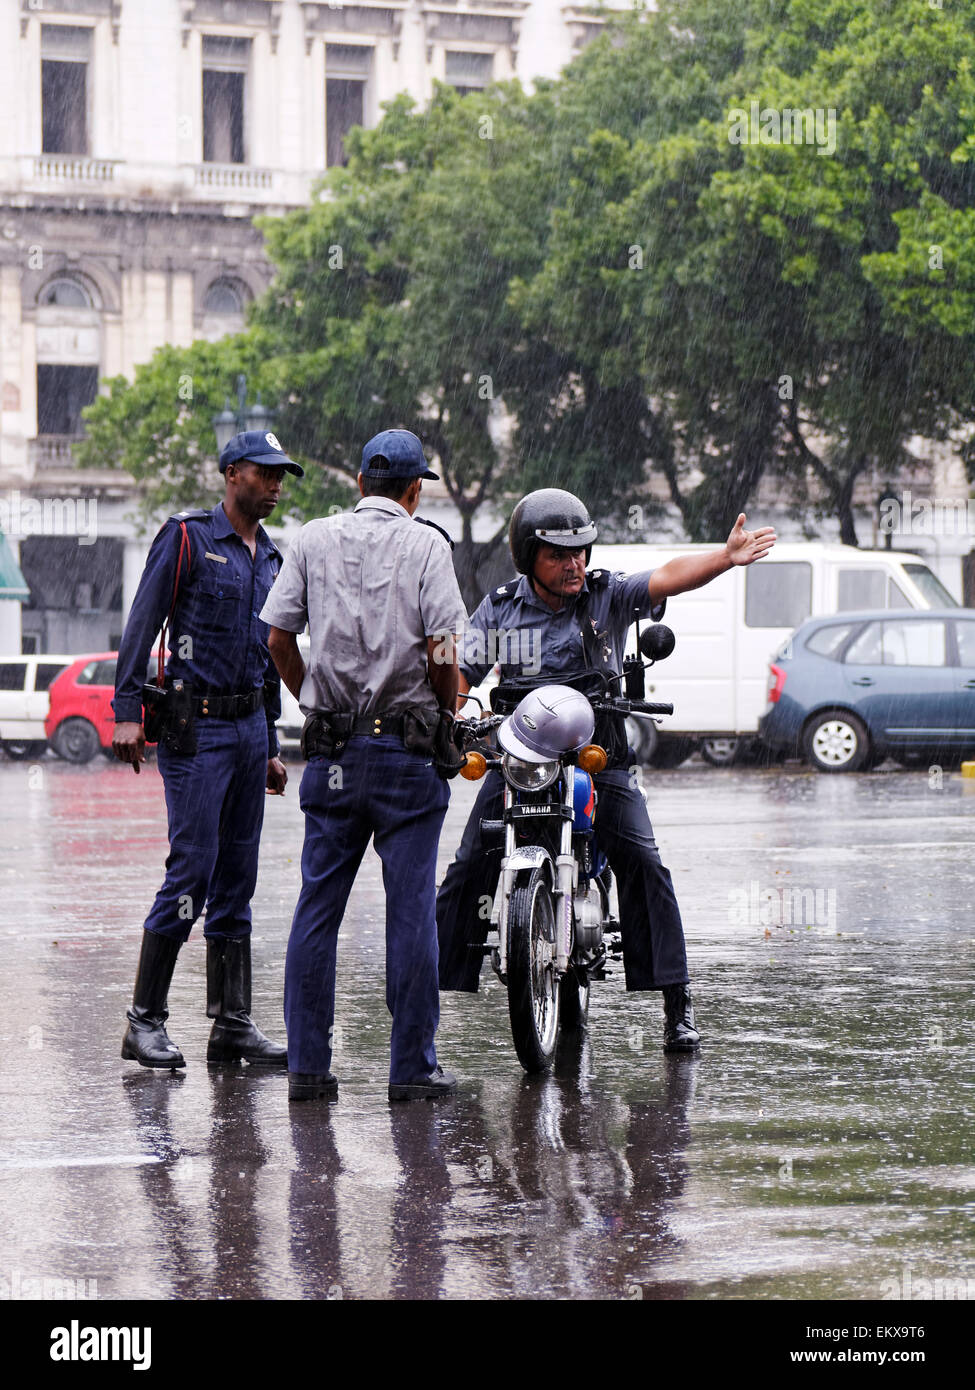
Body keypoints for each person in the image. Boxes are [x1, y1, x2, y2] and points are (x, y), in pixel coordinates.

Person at [436, 488, 776, 1051]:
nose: (575, 565)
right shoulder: (499, 607)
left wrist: (722, 557)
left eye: (581, 552)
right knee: (469, 861)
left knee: (643, 860)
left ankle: (677, 998)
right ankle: (435, 992)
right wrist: (454, 710)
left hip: (600, 757)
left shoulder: (607, 595)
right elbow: (462, 667)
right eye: (559, 555)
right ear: (528, 557)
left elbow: (666, 576)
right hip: (519, 758)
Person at [261, 428, 469, 1103]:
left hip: (334, 754)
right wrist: (449, 706)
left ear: (358, 485)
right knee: (410, 911)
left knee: (317, 908)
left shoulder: (312, 539)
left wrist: (312, 699)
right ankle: (411, 1070)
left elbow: (277, 637)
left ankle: (308, 1069)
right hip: (407, 756)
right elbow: (441, 649)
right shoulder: (426, 544)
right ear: (414, 491)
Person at [112, 429, 301, 1069]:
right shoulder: (188, 536)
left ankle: (232, 1023)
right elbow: (142, 622)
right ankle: (144, 1021)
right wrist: (128, 712)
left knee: (238, 877)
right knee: (192, 868)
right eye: (264, 473)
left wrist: (271, 742)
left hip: (249, 731)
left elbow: (269, 657)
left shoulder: (272, 558)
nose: (275, 485)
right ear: (230, 474)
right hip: (197, 729)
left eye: (281, 477)